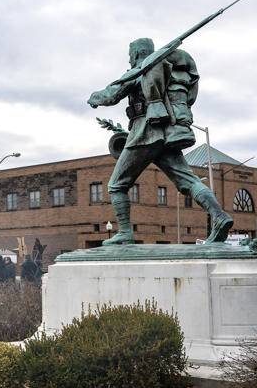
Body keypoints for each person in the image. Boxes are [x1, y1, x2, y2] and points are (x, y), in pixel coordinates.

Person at [88, 37, 232, 245]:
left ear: (136, 54)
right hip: (168, 134)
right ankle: (219, 216)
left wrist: (94, 97)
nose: (130, 60)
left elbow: (111, 95)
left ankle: (126, 232)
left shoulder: (141, 69)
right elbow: (190, 97)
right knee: (189, 181)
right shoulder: (170, 71)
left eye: (131, 56)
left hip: (145, 134)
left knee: (117, 185)